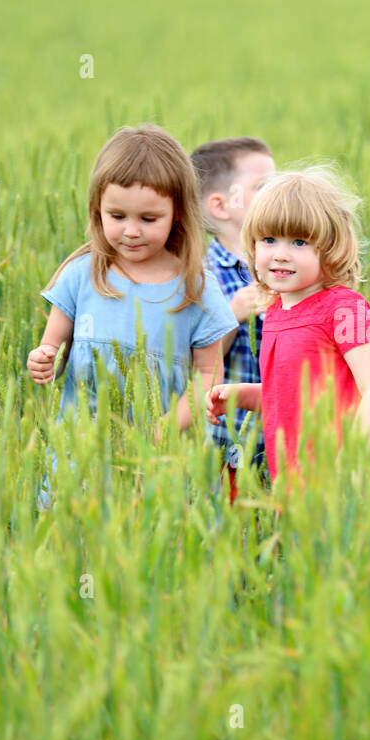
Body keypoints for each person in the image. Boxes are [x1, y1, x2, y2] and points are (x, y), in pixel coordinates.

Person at [27, 124, 237, 507]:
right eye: (117, 215)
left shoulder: (196, 290)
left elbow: (208, 374)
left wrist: (164, 428)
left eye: (148, 219)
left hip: (162, 456)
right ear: (97, 210)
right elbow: (53, 348)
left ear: (177, 214)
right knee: (77, 540)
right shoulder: (81, 275)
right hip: (82, 453)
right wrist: (43, 361)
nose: (131, 231)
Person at [205, 166, 370, 491]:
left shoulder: (344, 308)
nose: (280, 254)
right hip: (294, 486)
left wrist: (350, 460)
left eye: (299, 242)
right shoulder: (276, 312)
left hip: (345, 486)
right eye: (268, 240)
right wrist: (247, 394)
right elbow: (294, 395)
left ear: (331, 247)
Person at [191, 136, 276, 503]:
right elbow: (193, 357)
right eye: (263, 187)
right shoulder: (202, 273)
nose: (278, 194)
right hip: (229, 438)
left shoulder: (284, 260)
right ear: (220, 205)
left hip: (283, 432)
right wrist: (233, 315)